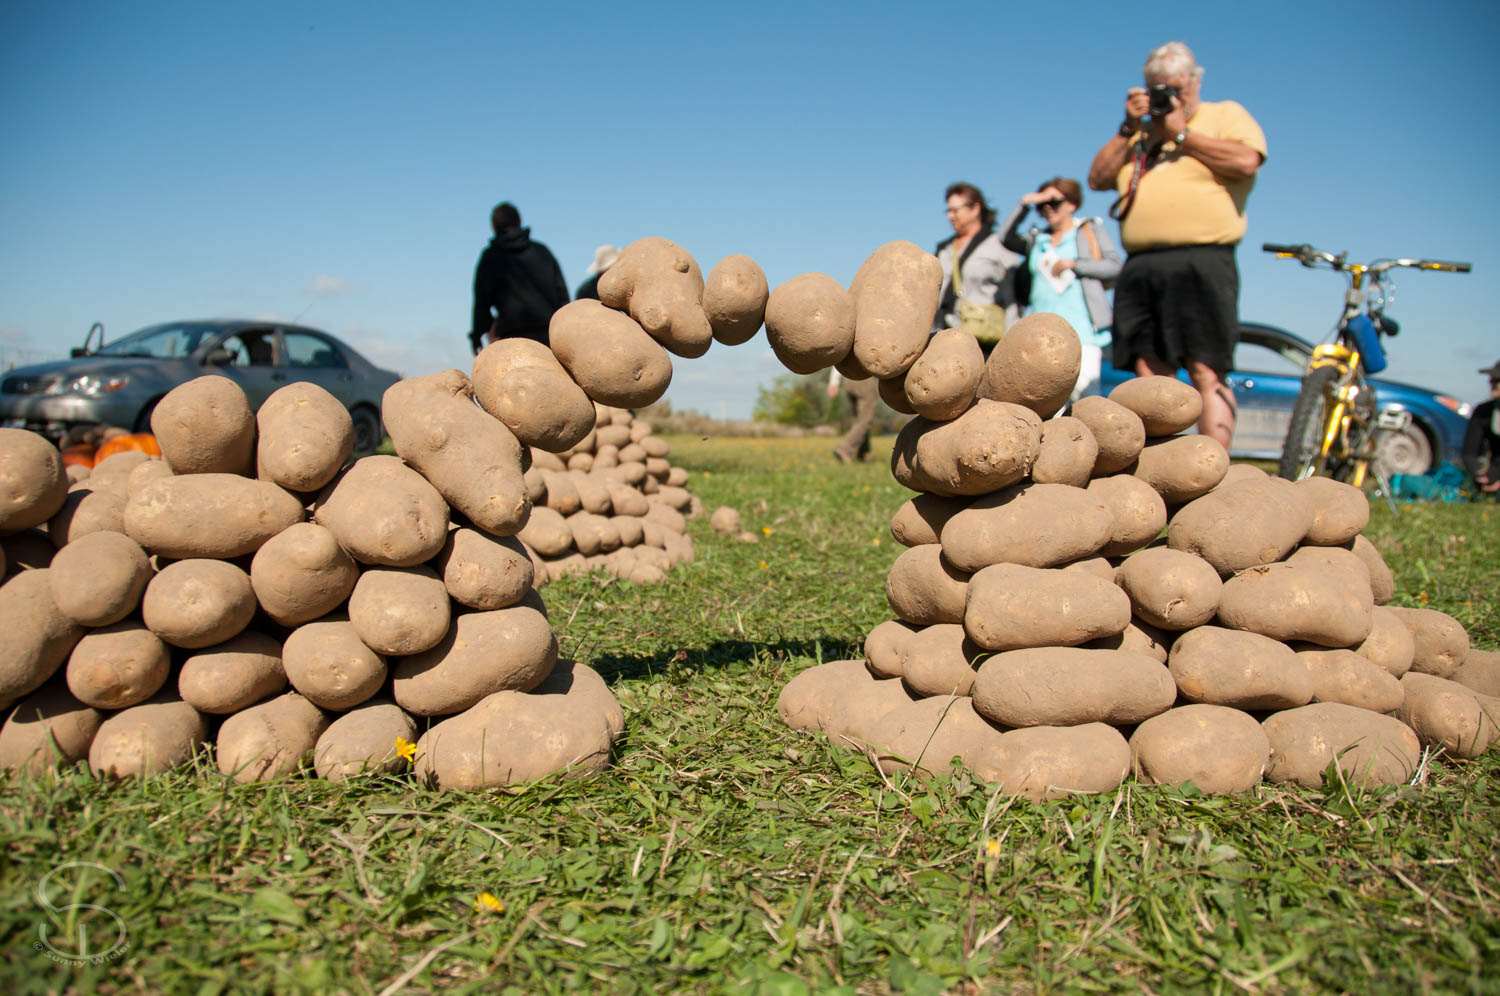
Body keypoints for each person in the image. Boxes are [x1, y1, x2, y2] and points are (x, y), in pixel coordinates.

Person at [1087, 41, 1266, 448]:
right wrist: (1127, 128)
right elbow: (1097, 180)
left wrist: (1181, 134)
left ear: (1194, 81)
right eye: (1157, 88)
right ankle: (1160, 464)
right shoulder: (1140, 137)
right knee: (1149, 373)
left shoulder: (1224, 115)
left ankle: (1213, 463)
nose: (1167, 95)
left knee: (1207, 368)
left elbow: (1246, 162)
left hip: (1201, 260)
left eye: (1175, 87)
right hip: (1142, 264)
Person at [1000, 177, 1123, 399]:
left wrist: (1075, 265)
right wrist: (1025, 203)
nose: (1047, 207)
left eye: (1054, 201)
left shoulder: (1088, 230)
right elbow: (1005, 237)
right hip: (1039, 333)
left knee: (1084, 397)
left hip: (1083, 333)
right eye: (1042, 204)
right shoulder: (1038, 240)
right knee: (1042, 399)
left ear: (1072, 204)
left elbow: (1114, 266)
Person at [469, 202, 570, 355]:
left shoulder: (490, 257)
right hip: (549, 336)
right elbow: (562, 295)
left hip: (513, 340)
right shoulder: (542, 251)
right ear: (519, 222)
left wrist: (477, 335)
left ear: (494, 227)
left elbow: (482, 303)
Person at [934, 182, 1022, 354]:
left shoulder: (999, 245)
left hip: (984, 341)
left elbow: (1012, 296)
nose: (951, 216)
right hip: (945, 337)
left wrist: (1012, 343)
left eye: (955, 210)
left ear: (975, 209)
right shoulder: (945, 248)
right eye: (948, 211)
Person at [1463, 360, 1500, 495]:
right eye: (1492, 380)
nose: (1492, 383)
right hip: (1491, 477)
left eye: (1497, 380)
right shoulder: (1483, 412)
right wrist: (1479, 475)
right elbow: (1469, 453)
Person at [826, 368, 879, 463]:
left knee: (860, 420)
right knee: (865, 420)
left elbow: (839, 357)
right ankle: (844, 448)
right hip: (865, 379)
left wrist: (834, 382)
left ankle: (863, 453)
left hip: (849, 380)